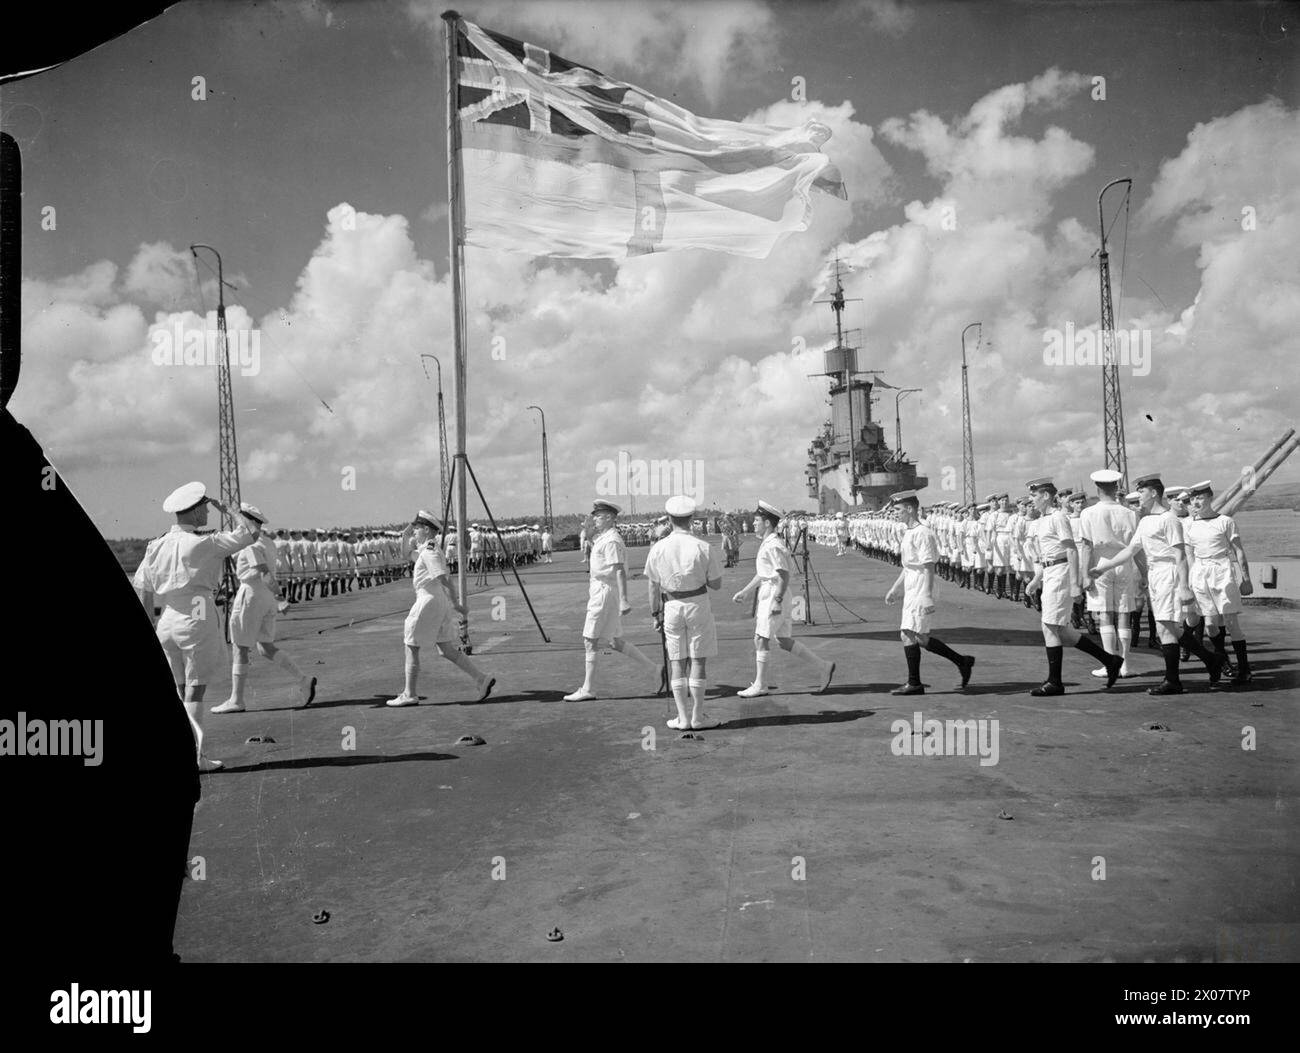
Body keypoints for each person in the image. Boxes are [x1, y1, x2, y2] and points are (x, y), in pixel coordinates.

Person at [131, 481, 262, 770]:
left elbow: (144, 590)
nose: (207, 512)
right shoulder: (204, 543)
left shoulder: (156, 545)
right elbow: (251, 533)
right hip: (196, 617)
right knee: (195, 691)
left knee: (179, 691)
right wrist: (230, 510)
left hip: (167, 619)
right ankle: (195, 758)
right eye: (203, 507)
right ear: (191, 512)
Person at [1092, 474, 1224, 694]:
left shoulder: (1168, 519)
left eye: (1142, 492)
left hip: (1169, 572)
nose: (1139, 497)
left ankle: (1173, 680)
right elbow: (1130, 550)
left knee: (1166, 627)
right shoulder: (1145, 521)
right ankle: (1210, 660)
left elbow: (1180, 555)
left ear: (1153, 493)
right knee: (1169, 626)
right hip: (1155, 574)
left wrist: (1183, 586)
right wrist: (1104, 566)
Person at [212, 503, 317, 713]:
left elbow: (263, 572)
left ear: (246, 519)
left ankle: (236, 700)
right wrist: (276, 599)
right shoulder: (267, 541)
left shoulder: (250, 544)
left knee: (240, 647)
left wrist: (281, 598)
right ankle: (303, 679)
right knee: (265, 647)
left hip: (251, 594)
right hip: (265, 596)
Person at [1023, 478, 1122, 695]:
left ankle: (1055, 682)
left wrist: (1075, 584)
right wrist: (1036, 579)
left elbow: (1071, 550)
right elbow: (1045, 556)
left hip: (1060, 573)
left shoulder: (1058, 517)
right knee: (1064, 631)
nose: (1031, 500)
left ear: (1046, 495)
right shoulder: (1042, 520)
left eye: (1034, 495)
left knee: (1049, 627)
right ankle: (1110, 660)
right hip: (1050, 572)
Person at [388, 511, 495, 706]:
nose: (415, 533)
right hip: (436, 601)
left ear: (426, 530)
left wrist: (458, 605)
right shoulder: (426, 549)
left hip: (428, 600)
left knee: (411, 645)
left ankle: (409, 694)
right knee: (445, 649)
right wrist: (404, 536)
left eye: (417, 529)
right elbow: (407, 554)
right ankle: (481, 679)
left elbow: (444, 579)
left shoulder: (429, 552)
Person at [731, 500, 835, 697]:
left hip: (774, 594)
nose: (754, 524)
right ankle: (824, 666)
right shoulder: (769, 543)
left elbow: (783, 575)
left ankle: (761, 685)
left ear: (767, 523)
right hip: (774, 591)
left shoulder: (773, 545)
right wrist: (745, 591)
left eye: (757, 521)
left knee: (760, 639)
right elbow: (765, 573)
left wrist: (777, 601)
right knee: (784, 641)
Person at [564, 500, 660, 701]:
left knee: (590, 640)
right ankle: (654, 670)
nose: (595, 519)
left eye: (598, 516)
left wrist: (625, 599)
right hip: (603, 590)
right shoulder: (604, 538)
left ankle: (588, 689)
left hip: (604, 592)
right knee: (613, 641)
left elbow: (618, 571)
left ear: (609, 518)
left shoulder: (611, 540)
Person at [883, 490, 975, 694]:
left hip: (922, 585)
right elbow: (908, 567)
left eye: (897, 509)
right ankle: (962, 661)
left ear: (909, 509)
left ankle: (914, 683)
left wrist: (926, 595)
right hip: (912, 584)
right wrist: (895, 588)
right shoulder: (909, 532)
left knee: (907, 633)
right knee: (921, 638)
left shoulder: (923, 532)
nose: (894, 513)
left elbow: (928, 566)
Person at [644, 496, 724, 729]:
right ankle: (698, 717)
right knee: (698, 659)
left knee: (677, 660)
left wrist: (654, 614)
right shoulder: (703, 546)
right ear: (692, 519)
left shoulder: (658, 547)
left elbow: (652, 585)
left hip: (671, 606)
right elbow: (717, 584)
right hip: (698, 603)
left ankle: (682, 718)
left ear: (669, 519)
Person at [1184, 481, 1253, 684]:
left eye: (1200, 497)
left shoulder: (1225, 521)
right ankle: (1222, 661)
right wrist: (1188, 581)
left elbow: (1238, 551)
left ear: (1210, 497)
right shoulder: (1189, 525)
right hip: (1200, 573)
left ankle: (1245, 669)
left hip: (1222, 571)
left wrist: (1246, 579)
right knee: (1211, 625)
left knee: (1231, 622)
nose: (1196, 502)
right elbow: (1189, 556)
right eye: (1193, 498)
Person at [1077, 469, 1139, 681]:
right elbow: (1136, 546)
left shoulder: (1088, 513)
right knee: (1124, 614)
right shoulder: (1130, 513)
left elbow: (1086, 546)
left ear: (1097, 488)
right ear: (1116, 488)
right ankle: (1126, 664)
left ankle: (1109, 663)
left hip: (1100, 563)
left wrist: (1085, 575)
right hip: (1124, 562)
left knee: (1105, 613)